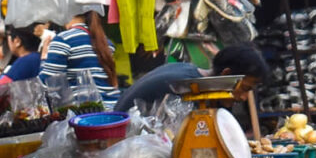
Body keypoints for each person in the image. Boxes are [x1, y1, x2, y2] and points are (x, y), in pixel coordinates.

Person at [113, 43, 269, 115]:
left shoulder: (190, 72)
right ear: (226, 73)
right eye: (244, 88)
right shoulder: (185, 87)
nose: (243, 97)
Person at [40, 12, 119, 109]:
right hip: (115, 110)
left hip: (85, 114)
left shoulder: (63, 39)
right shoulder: (106, 42)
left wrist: (44, 58)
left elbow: (47, 84)